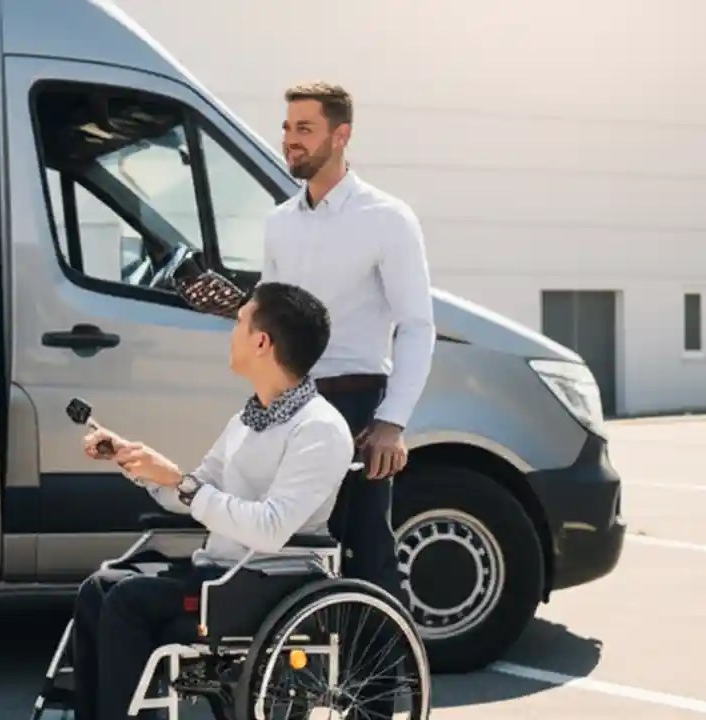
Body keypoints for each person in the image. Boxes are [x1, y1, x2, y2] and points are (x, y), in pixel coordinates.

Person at [69, 282, 354, 720]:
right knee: (98, 589)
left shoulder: (319, 429)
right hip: (221, 573)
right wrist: (136, 462)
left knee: (129, 602)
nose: (231, 332)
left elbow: (271, 528)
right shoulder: (247, 418)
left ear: (262, 342)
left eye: (239, 322)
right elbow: (193, 490)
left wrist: (183, 483)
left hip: (267, 580)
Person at [263, 80, 436, 607]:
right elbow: (270, 322)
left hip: (356, 405)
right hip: (288, 404)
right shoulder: (278, 223)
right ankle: (303, 684)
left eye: (305, 129)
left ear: (341, 136)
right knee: (290, 552)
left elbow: (417, 325)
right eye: (289, 128)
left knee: (366, 557)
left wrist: (392, 422)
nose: (291, 140)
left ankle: (392, 687)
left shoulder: (387, 218)